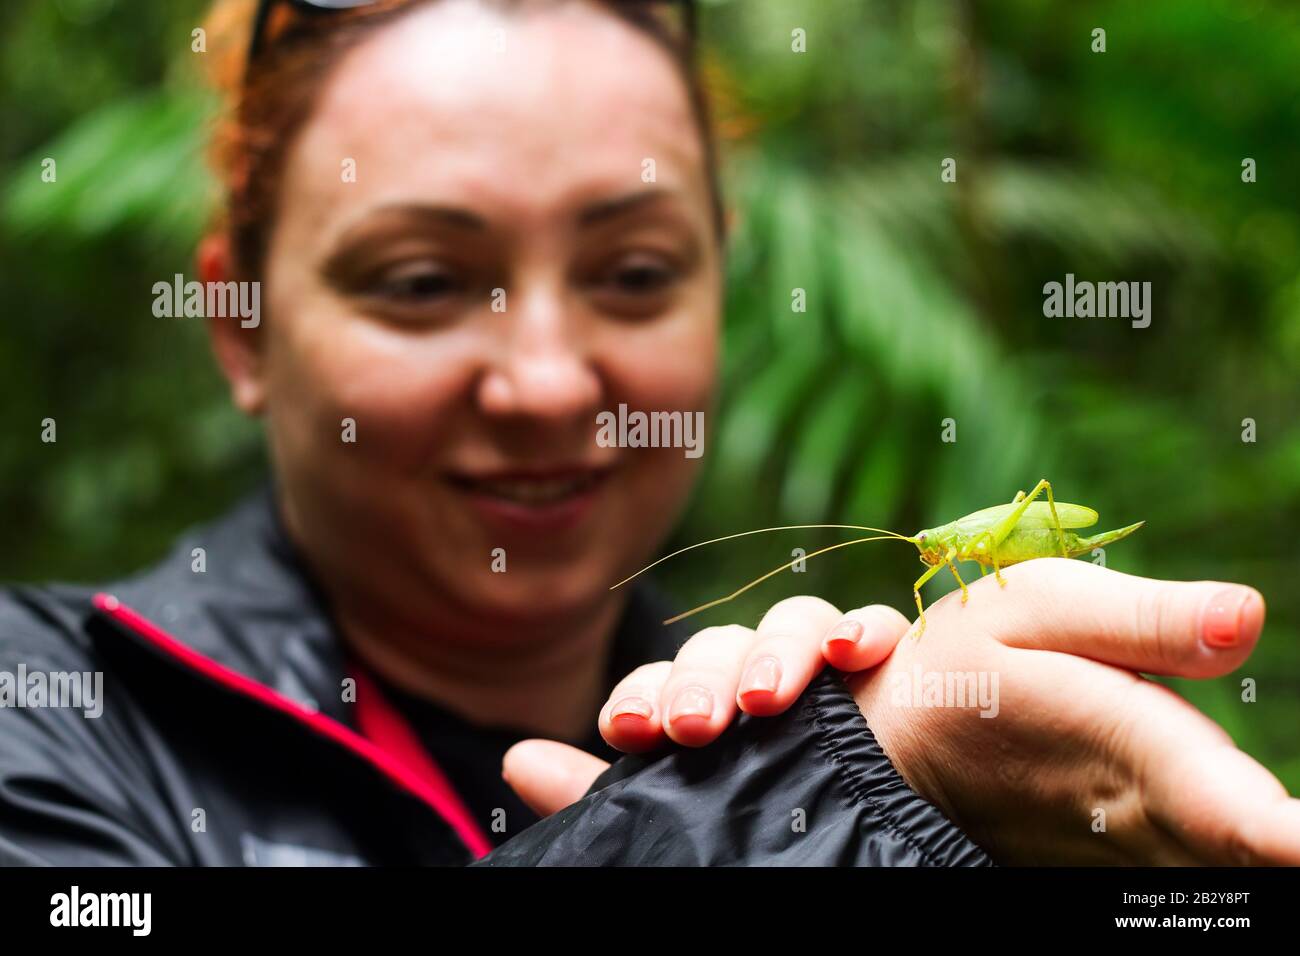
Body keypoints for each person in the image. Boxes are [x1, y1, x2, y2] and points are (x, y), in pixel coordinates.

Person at [1, 0, 1295, 867]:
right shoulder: (47, 720)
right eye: (422, 282)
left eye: (632, 274)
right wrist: (841, 804)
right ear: (237, 325)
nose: (554, 383)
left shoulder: (769, 695)